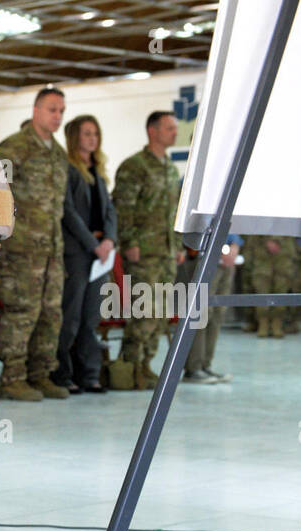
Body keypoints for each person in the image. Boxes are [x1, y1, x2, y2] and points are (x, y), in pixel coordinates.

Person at [0, 87, 70, 401]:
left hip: (52, 250)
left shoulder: (58, 153)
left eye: (61, 111)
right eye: (52, 109)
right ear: (36, 110)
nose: (57, 116)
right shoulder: (12, 149)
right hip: (21, 251)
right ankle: (13, 376)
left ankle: (41, 374)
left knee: (51, 313)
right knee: (22, 312)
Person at [112, 110, 184, 384]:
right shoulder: (134, 166)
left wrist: (177, 245)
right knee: (143, 311)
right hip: (142, 252)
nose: (174, 132)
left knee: (161, 312)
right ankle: (130, 367)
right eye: (169, 128)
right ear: (152, 131)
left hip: (165, 252)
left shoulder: (170, 167)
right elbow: (123, 209)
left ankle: (146, 364)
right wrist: (129, 242)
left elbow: (174, 211)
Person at [57, 114, 116, 393]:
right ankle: (63, 373)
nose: (92, 138)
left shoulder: (100, 172)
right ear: (74, 137)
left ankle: (89, 374)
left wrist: (110, 240)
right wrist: (92, 244)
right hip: (78, 252)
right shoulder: (68, 169)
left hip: (100, 255)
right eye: (86, 133)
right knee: (71, 316)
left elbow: (109, 212)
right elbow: (68, 212)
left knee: (92, 316)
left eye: (95, 133)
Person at [180, 234, 240, 383]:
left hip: (225, 260)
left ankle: (205, 365)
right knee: (201, 313)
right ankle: (194, 368)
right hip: (202, 256)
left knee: (217, 314)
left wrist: (235, 244)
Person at [242, 235, 300, 338]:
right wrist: (266, 240)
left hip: (284, 255)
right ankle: (263, 323)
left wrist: (278, 241)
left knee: (281, 289)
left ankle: (277, 324)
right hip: (261, 255)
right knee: (261, 290)